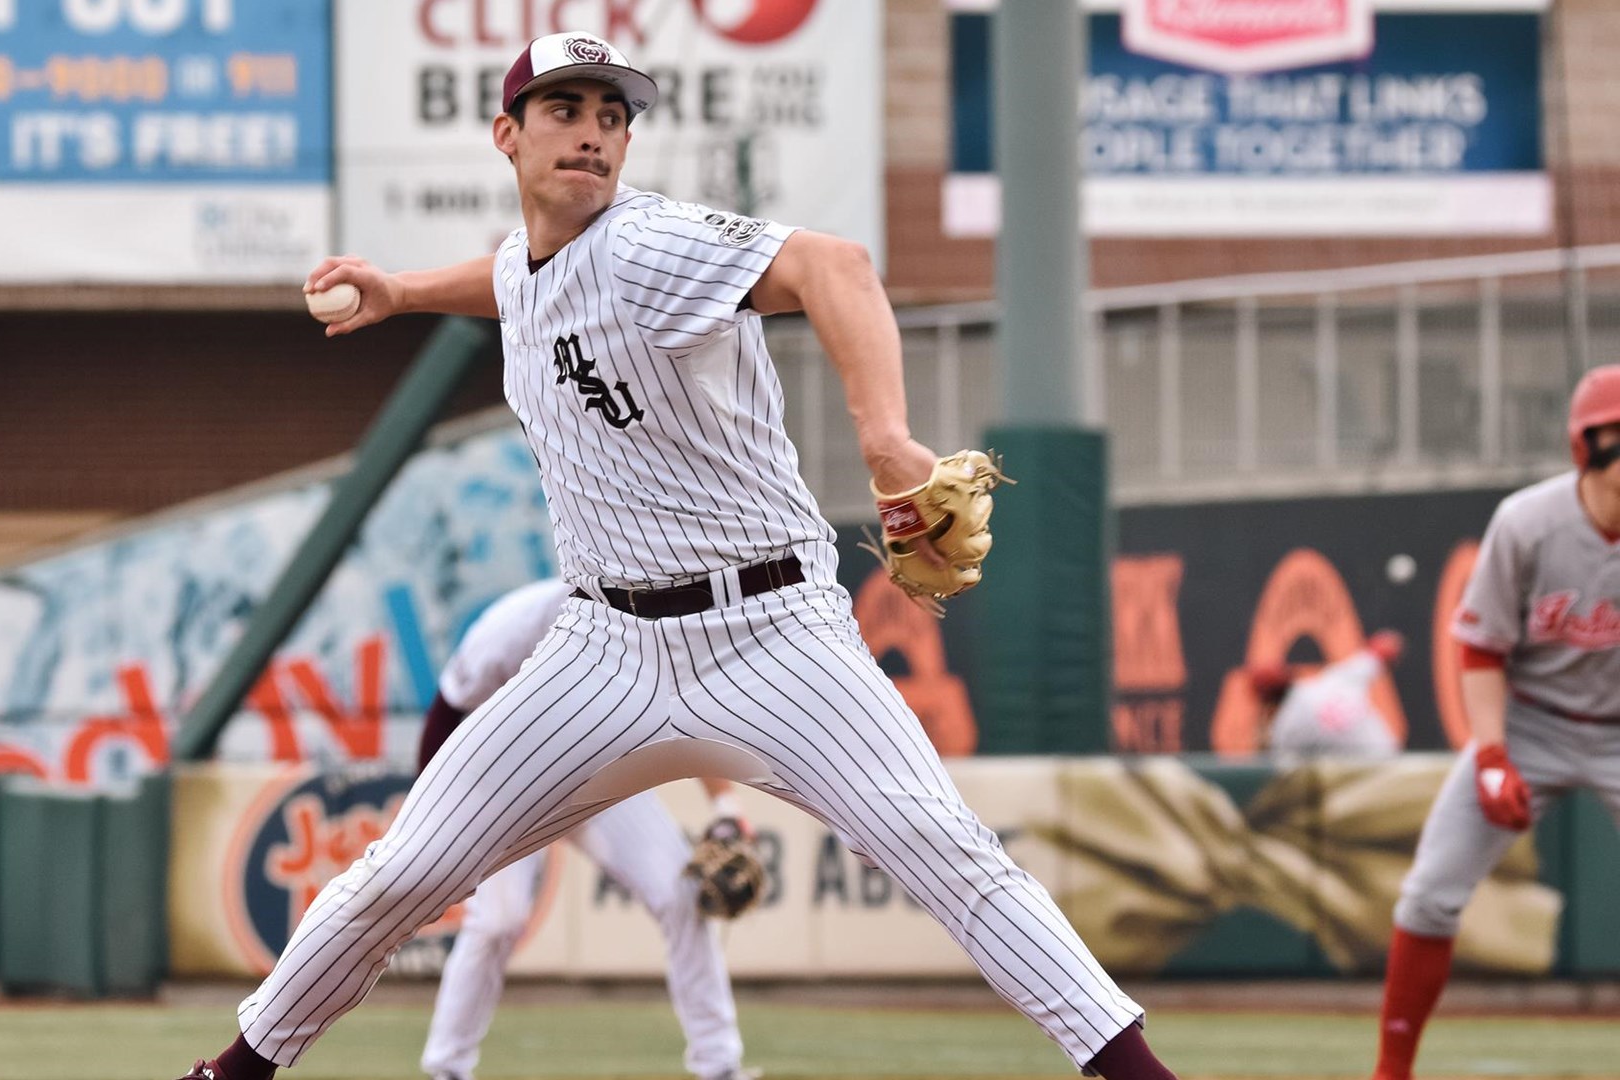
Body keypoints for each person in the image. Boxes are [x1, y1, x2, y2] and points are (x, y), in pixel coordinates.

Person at [178, 31, 1177, 1080]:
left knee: (949, 856)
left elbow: (835, 265)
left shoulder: (648, 245)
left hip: (770, 635)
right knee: (401, 873)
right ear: (507, 135)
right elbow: (515, 278)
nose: (593, 134)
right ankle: (229, 1074)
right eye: (566, 110)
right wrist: (403, 289)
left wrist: (886, 442)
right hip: (603, 648)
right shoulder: (526, 264)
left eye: (612, 117)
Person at [1371, 364, 1620, 1080]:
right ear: (1587, 445)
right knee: (1429, 895)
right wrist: (1490, 754)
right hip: (1533, 721)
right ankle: (1392, 1070)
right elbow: (1481, 648)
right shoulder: (1529, 522)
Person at [414, 578, 751, 1080]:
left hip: (599, 776)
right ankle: (447, 1067)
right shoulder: (515, 625)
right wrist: (431, 825)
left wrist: (725, 805)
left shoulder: (647, 621)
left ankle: (719, 1065)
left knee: (681, 894)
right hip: (510, 782)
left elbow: (686, 719)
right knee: (498, 921)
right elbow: (445, 714)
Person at [1250, 631, 1406, 761]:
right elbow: (1385, 650)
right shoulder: (1334, 678)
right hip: (1392, 762)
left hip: (1358, 781)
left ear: (1266, 700)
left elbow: (1279, 771)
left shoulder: (1286, 728)